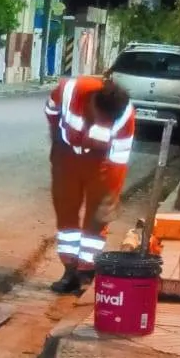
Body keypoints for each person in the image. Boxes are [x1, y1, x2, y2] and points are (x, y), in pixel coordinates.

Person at [43, 76, 135, 294]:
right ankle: (69, 270)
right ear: (93, 103)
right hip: (67, 159)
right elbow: (51, 112)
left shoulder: (124, 117)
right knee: (66, 214)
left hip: (102, 165)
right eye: (99, 118)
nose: (101, 124)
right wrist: (57, 144)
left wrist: (111, 195)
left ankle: (86, 270)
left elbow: (119, 159)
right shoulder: (68, 91)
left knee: (96, 219)